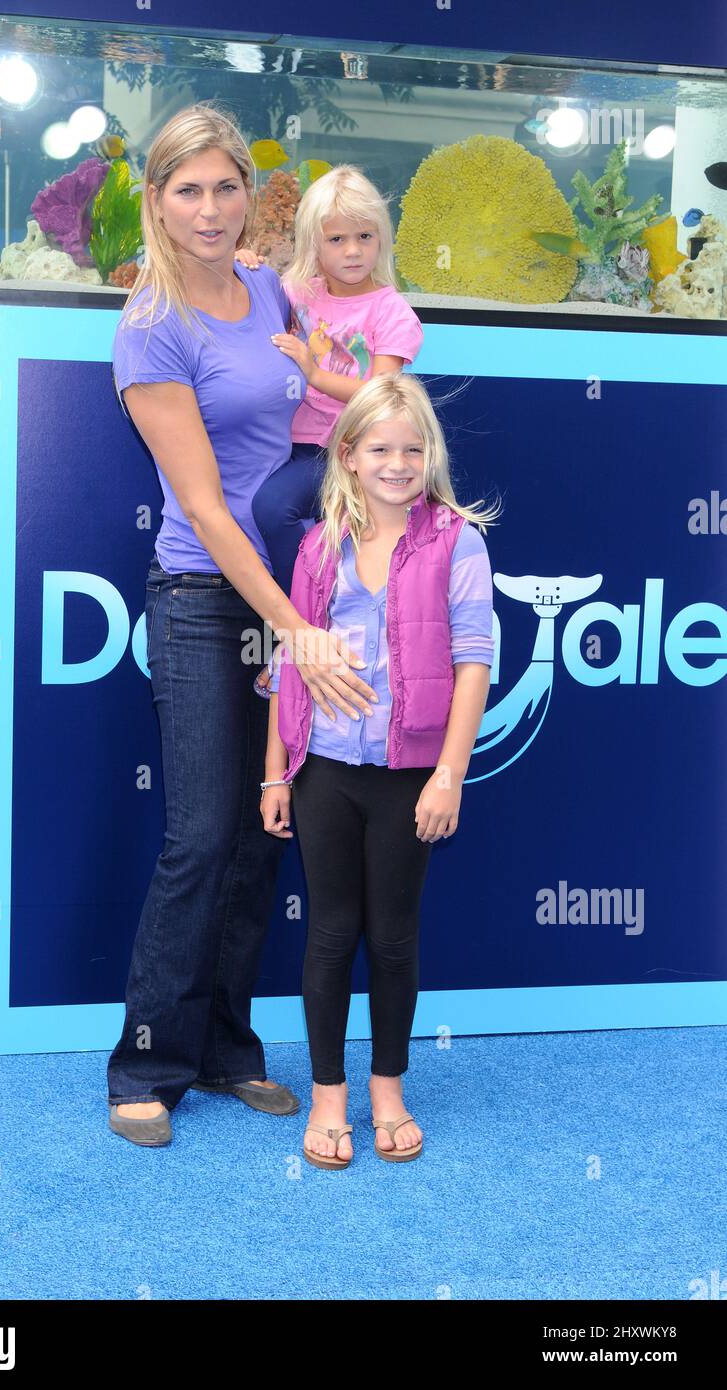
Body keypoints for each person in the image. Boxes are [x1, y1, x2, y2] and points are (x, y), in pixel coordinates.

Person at [106, 103, 382, 1149]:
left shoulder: (266, 287)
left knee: (263, 843)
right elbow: (209, 506)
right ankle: (144, 1059)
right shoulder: (149, 326)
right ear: (158, 201)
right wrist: (293, 627)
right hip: (203, 597)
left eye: (226, 187)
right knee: (201, 833)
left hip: (292, 596)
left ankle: (225, 1048)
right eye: (189, 190)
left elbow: (325, 402)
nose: (210, 208)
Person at [260, 371, 500, 1170]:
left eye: (413, 447)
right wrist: (274, 773)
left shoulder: (456, 539)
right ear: (349, 456)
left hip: (409, 772)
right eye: (380, 448)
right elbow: (288, 662)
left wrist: (448, 776)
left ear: (429, 455)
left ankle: (386, 1089)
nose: (398, 462)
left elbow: (473, 663)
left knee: (392, 936)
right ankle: (327, 1095)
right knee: (329, 932)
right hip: (324, 765)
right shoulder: (317, 544)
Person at [238, 165, 424, 598]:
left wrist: (315, 374)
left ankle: (321, 605)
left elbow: (381, 393)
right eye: (337, 239)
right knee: (264, 511)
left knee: (294, 513)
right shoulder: (299, 292)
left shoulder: (391, 310)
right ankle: (309, 597)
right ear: (314, 246)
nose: (353, 251)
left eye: (365, 237)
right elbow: (250, 298)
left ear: (382, 239)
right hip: (292, 445)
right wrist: (244, 263)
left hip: (351, 451)